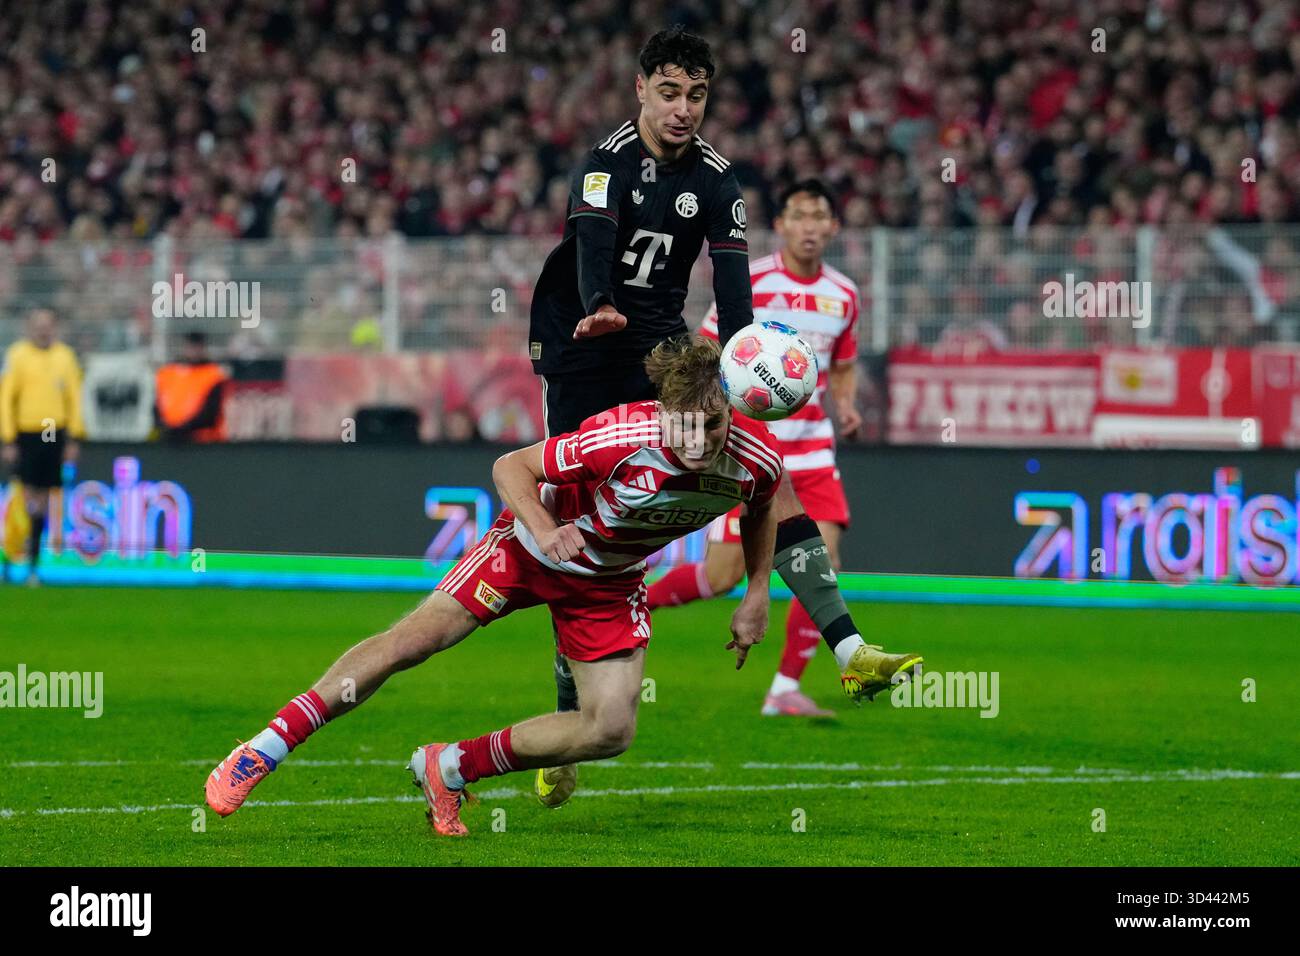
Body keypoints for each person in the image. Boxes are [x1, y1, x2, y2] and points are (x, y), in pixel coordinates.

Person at [202, 337, 915, 837]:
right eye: (685, 429)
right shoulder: (618, 436)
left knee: (612, 729)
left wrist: (757, 591)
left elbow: (763, 510)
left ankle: (447, 767)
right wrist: (543, 530)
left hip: (606, 586)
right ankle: (264, 747)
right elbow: (512, 467)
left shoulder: (753, 458)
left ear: (736, 413)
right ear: (663, 412)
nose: (699, 445)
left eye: (715, 428)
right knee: (408, 645)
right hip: (529, 552)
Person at [526, 26, 922, 806]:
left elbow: (732, 279)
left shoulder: (717, 181)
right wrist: (602, 304)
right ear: (641, 89)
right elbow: (593, 248)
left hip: (661, 349)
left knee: (761, 473)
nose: (682, 109)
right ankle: (568, 710)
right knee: (576, 523)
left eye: (696, 95)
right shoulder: (603, 164)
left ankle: (849, 648)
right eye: (669, 92)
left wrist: (743, 364)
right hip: (578, 342)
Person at [649, 179, 863, 718]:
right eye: (799, 214)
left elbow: (841, 363)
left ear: (832, 227)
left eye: (820, 216)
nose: (810, 226)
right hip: (748, 447)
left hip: (813, 452)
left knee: (825, 565)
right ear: (783, 225)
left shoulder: (845, 295)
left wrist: (847, 404)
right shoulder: (753, 281)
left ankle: (786, 687)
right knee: (721, 577)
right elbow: (705, 344)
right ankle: (631, 600)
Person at [0, 309, 84, 586]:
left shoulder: (64, 357)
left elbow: (74, 397)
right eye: (38, 326)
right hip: (27, 432)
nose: (43, 331)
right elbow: (6, 396)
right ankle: (14, 554)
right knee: (24, 494)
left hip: (52, 431)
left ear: (54, 328)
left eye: (48, 326)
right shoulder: (18, 355)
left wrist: (73, 437)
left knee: (45, 496)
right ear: (29, 328)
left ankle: (33, 562)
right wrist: (8, 438)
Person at [154, 332, 228, 442]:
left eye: (196, 347)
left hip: (202, 440)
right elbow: (157, 406)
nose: (193, 351)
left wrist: (184, 428)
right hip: (169, 439)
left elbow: (210, 414)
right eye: (190, 347)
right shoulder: (168, 373)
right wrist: (166, 427)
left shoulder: (213, 375)